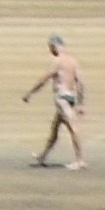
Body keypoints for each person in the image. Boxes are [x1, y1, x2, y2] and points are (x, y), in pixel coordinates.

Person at [21, 33, 87, 168]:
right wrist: (80, 103)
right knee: (55, 129)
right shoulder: (73, 61)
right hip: (71, 97)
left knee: (72, 127)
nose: (50, 51)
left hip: (61, 97)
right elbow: (80, 83)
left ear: (54, 46)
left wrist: (30, 93)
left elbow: (44, 79)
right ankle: (42, 157)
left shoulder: (58, 61)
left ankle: (79, 160)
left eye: (50, 47)